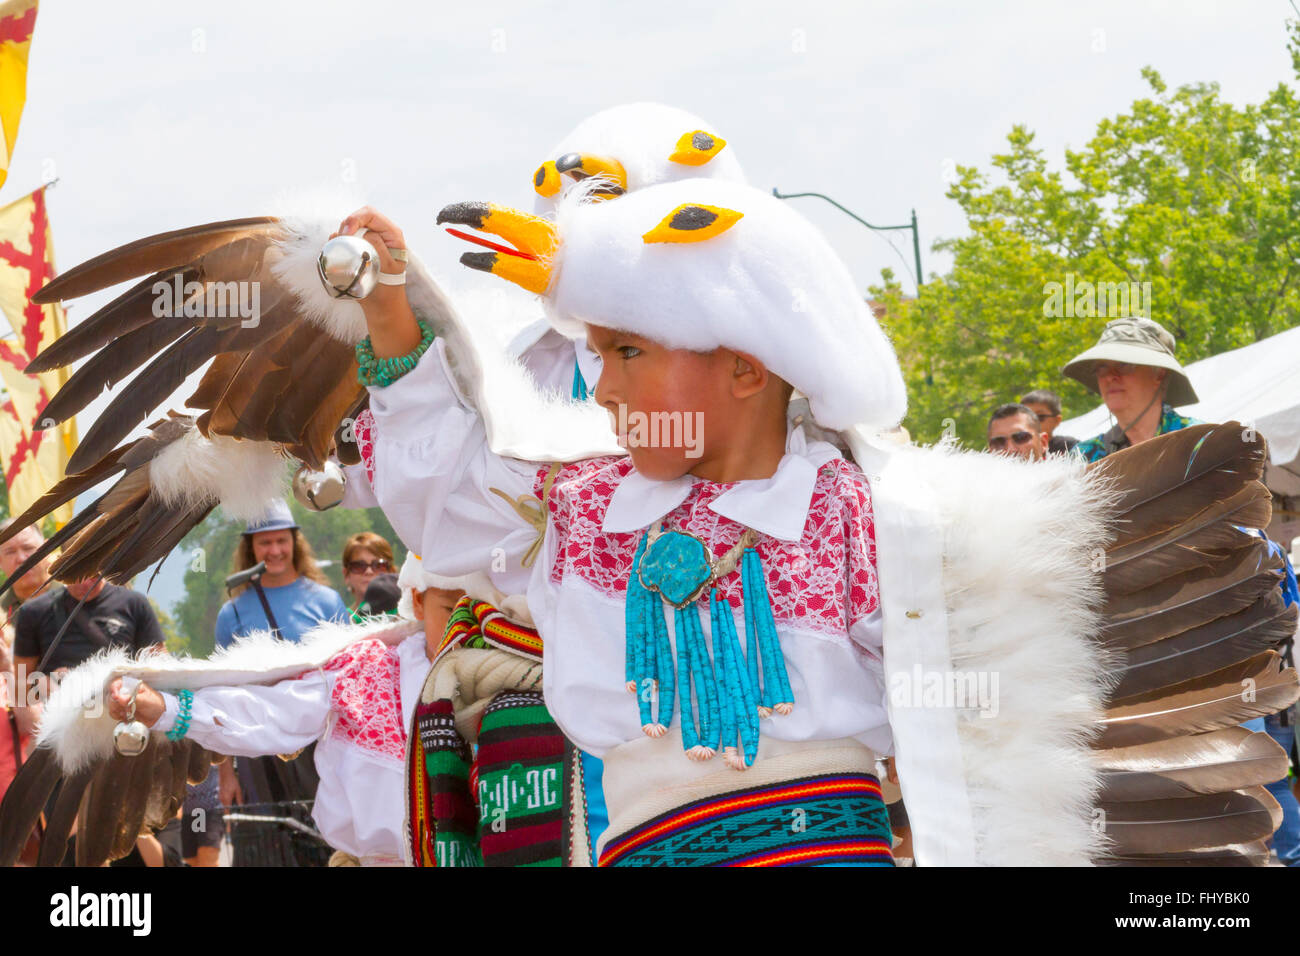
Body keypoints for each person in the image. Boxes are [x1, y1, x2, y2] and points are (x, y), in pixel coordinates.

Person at [344, 177, 1124, 867]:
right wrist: (388, 314)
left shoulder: (868, 513)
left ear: (746, 368)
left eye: (627, 353)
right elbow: (444, 494)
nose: (603, 387)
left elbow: (1004, 725)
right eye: (598, 355)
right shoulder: (578, 509)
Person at [105, 554, 466, 866]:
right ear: (418, 601)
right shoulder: (366, 668)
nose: (463, 625)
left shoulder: (511, 671)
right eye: (451, 608)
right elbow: (273, 711)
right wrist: (167, 709)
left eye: (482, 609)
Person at [1063, 317, 1201, 462]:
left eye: (1124, 364)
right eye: (1102, 367)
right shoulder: (1083, 458)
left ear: (1159, 373)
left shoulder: (1198, 441)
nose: (1110, 376)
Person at [340, 531, 395, 622]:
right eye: (359, 566)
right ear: (346, 575)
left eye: (378, 565)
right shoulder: (339, 622)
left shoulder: (411, 616)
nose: (368, 571)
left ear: (391, 571)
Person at [1020, 389, 1077, 454]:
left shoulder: (1069, 446)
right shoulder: (1012, 447)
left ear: (1057, 420)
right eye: (1026, 418)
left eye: (1040, 417)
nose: (1031, 422)